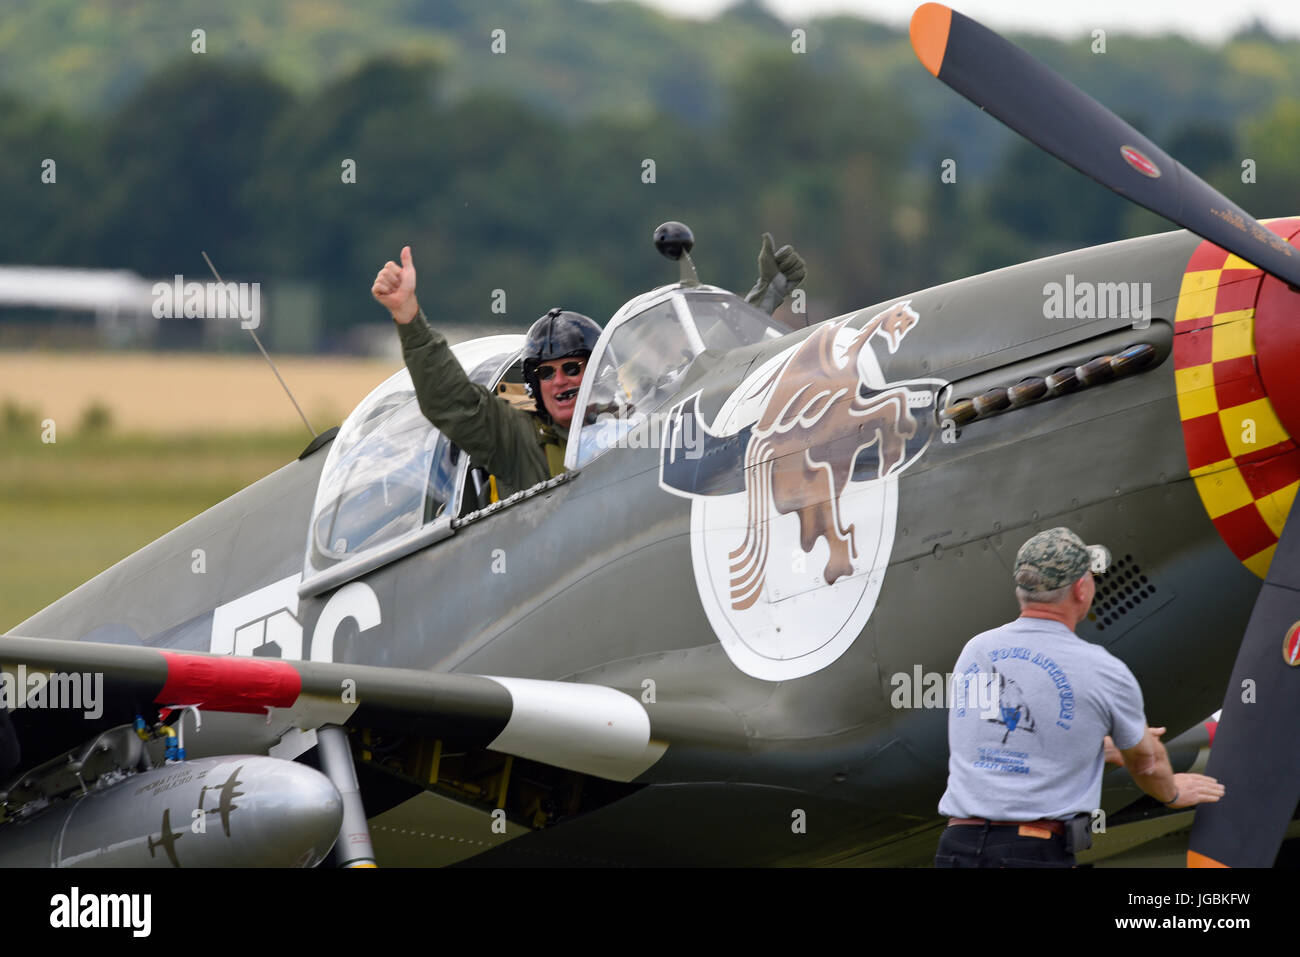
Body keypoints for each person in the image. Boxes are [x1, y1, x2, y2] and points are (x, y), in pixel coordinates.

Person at [370, 236, 805, 497]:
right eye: (546, 373)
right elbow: (450, 400)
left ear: (597, 373)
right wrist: (409, 317)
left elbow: (704, 379)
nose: (559, 381)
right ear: (535, 387)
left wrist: (763, 299)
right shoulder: (517, 439)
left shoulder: (634, 420)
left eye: (572, 369)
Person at [934, 527, 1224, 867]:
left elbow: (996, 735)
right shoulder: (1102, 668)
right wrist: (1172, 792)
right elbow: (1146, 762)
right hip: (1032, 850)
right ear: (1080, 589)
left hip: (957, 847)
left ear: (1022, 590)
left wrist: (1098, 747)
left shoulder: (976, 650)